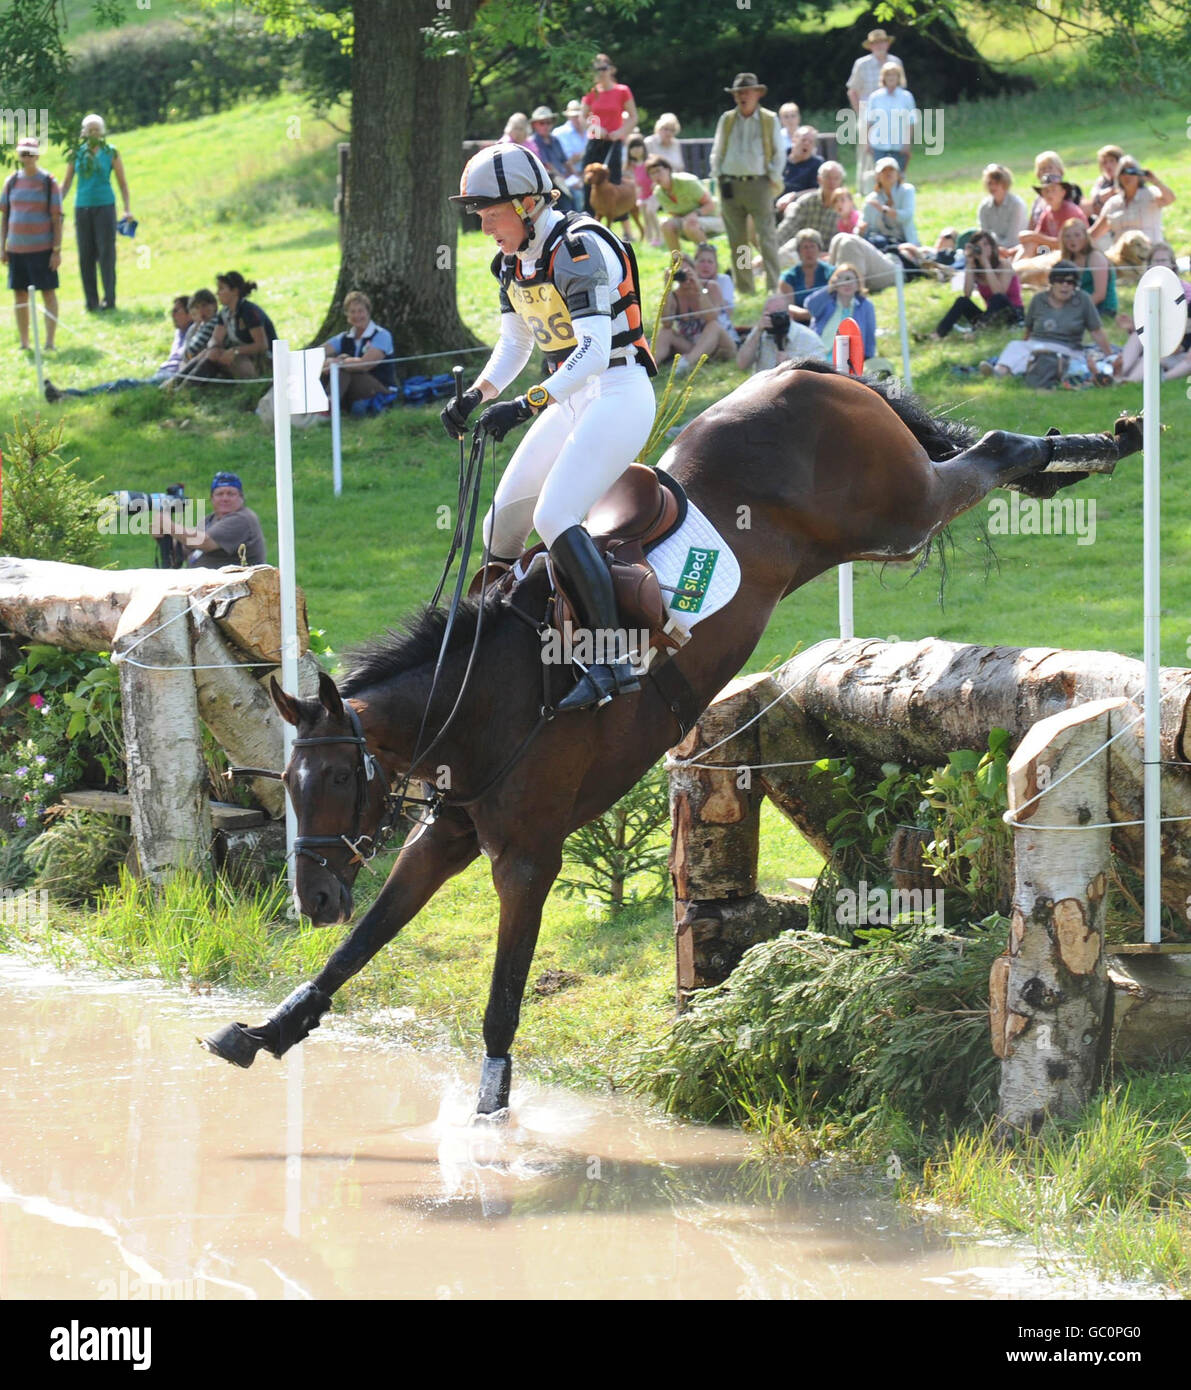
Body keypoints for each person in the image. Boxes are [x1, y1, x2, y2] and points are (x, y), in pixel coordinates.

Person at [440, 143, 657, 711]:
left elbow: (590, 349)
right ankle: (519, 648)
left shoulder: (578, 247)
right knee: (498, 531)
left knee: (554, 515)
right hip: (571, 396)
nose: (484, 227)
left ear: (529, 203)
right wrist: (477, 394)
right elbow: (516, 342)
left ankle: (613, 661)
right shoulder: (512, 261)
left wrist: (528, 403)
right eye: (480, 217)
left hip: (617, 391)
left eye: (491, 214)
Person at [709, 73, 784, 295]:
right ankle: (745, 287)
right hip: (730, 183)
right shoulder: (727, 119)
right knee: (738, 241)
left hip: (759, 183)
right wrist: (718, 176)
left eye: (747, 92)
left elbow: (779, 153)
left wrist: (773, 177)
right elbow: (717, 150)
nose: (743, 96)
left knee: (767, 237)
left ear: (757, 94)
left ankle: (774, 285)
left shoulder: (769, 119)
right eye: (738, 93)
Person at [981, 260, 1113, 380]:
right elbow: (1028, 330)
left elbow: (1097, 332)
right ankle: (999, 371)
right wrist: (1024, 346)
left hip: (1067, 348)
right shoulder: (1038, 300)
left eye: (1070, 282)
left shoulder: (1083, 300)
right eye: (1060, 281)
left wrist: (1110, 356)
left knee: (1040, 358)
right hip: (1037, 342)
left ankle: (1017, 374)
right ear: (1052, 282)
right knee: (1015, 346)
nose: (1065, 285)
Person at [44, 295, 192, 401]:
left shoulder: (195, 330)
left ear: (190, 314)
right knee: (126, 385)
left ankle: (75, 396)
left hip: (173, 375)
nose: (172, 315)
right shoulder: (180, 331)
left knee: (125, 385)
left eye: (176, 311)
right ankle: (68, 395)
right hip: (163, 372)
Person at [58, 113, 131, 312]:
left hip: (105, 207)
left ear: (102, 132)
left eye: (96, 130)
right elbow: (66, 184)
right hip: (82, 208)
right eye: (89, 130)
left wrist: (127, 209)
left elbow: (122, 184)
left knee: (107, 254)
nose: (93, 133)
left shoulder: (111, 152)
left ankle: (110, 299)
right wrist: (54, 205)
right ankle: (91, 302)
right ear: (83, 132)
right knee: (85, 255)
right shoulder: (76, 153)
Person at [1, 137, 62, 351]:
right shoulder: (11, 182)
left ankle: (49, 342)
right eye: (22, 153)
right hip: (16, 250)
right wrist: (3, 247)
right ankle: (24, 343)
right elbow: (5, 216)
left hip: (43, 250)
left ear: (37, 155)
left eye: (30, 153)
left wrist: (56, 250)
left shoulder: (48, 181)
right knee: (20, 295)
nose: (26, 157)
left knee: (47, 292)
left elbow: (57, 218)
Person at [178, 271, 276, 384]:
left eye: (221, 289)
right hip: (245, 357)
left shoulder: (248, 311)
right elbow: (216, 338)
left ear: (235, 291)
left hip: (265, 360)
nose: (217, 293)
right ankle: (177, 383)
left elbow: (262, 346)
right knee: (209, 353)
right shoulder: (225, 313)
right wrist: (213, 346)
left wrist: (235, 351)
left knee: (216, 355)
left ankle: (185, 388)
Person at [156, 472, 268, 570]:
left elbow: (203, 542)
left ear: (241, 498)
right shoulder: (210, 519)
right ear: (212, 498)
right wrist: (163, 537)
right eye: (219, 494)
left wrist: (167, 525)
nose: (225, 498)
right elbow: (183, 550)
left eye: (231, 494)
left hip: (235, 590)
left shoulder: (242, 519)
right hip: (207, 587)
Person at [1113, 242, 1191, 383]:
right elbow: (1147, 326)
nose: (1159, 265)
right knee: (1138, 336)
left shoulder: (1185, 292)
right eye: (1156, 261)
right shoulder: (1147, 291)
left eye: (1163, 261)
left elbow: (1183, 330)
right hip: (1155, 341)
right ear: (1149, 266)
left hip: (1179, 344)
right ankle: (1120, 372)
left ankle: (1129, 381)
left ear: (1173, 265)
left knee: (1152, 351)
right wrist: (1131, 326)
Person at [653, 250, 735, 374]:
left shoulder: (711, 287)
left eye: (687, 272)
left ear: (694, 270)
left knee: (713, 326)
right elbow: (667, 323)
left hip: (721, 346)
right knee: (665, 332)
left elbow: (712, 318)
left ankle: (685, 365)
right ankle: (650, 366)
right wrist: (667, 287)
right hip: (694, 348)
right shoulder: (675, 296)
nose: (684, 277)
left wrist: (698, 287)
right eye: (680, 273)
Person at [845, 28, 905, 194]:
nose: (879, 46)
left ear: (887, 43)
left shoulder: (895, 62)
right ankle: (865, 189)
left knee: (894, 150)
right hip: (868, 113)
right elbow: (852, 91)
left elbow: (902, 88)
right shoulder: (862, 64)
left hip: (891, 114)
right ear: (870, 46)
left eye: (882, 42)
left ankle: (894, 186)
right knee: (867, 153)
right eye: (875, 43)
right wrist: (861, 114)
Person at [930, 232, 1021, 339]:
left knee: (998, 298)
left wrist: (986, 263)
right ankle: (938, 334)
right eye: (979, 246)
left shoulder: (1004, 265)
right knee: (962, 301)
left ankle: (976, 332)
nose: (983, 249)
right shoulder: (977, 269)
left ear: (993, 247)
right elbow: (967, 294)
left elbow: (1000, 292)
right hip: (990, 316)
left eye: (986, 244)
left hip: (1012, 313)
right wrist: (969, 263)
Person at [1087, 157, 1175, 266]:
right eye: (1123, 171)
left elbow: (1170, 199)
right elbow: (1094, 234)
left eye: (1132, 171)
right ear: (1118, 176)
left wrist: (1155, 181)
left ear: (1139, 175)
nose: (1127, 175)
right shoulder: (1113, 203)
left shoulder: (1151, 195)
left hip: (1150, 257)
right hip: (1122, 261)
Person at [580, 54, 637, 212]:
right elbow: (582, 117)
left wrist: (620, 132)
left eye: (603, 68)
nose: (600, 72)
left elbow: (633, 117)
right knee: (589, 182)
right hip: (595, 141)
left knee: (613, 183)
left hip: (613, 142)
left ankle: (620, 224)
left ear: (611, 69)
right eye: (596, 69)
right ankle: (588, 218)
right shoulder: (591, 92)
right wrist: (595, 128)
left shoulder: (622, 91)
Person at [320, 290, 396, 408]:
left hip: (380, 389)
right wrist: (326, 364)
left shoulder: (381, 335)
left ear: (368, 312)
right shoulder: (344, 337)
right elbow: (319, 352)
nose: (357, 316)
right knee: (335, 364)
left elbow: (365, 364)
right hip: (353, 388)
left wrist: (339, 362)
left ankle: (328, 407)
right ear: (347, 315)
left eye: (360, 311)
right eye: (352, 312)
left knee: (343, 365)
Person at [805, 263, 877, 361]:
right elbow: (810, 306)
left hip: (849, 359)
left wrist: (868, 359)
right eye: (841, 279)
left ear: (858, 284)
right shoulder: (826, 301)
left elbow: (869, 336)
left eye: (851, 279)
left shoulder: (865, 306)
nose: (847, 284)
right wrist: (829, 288)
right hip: (819, 355)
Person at [737, 293, 825, 372]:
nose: (774, 319)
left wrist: (794, 366)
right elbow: (742, 365)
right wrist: (757, 332)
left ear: (790, 314)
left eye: (778, 314)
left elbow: (822, 376)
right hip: (764, 387)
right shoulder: (760, 333)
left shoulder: (809, 339)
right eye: (769, 315)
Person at [775, 159, 845, 256]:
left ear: (841, 181)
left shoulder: (846, 206)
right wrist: (771, 247)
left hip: (829, 256)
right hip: (802, 252)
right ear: (819, 179)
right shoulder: (806, 202)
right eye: (827, 177)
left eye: (836, 178)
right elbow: (787, 228)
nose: (832, 182)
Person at [647, 156, 718, 251]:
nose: (656, 175)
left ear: (668, 169)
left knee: (690, 224)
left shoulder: (687, 182)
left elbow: (711, 205)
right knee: (665, 224)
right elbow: (674, 214)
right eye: (652, 173)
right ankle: (678, 262)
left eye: (658, 171)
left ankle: (707, 257)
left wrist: (695, 214)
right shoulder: (658, 192)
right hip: (686, 222)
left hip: (714, 218)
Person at [861, 156, 919, 268]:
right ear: (878, 176)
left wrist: (883, 209)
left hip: (905, 240)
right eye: (884, 171)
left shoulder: (907, 190)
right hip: (883, 243)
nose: (888, 173)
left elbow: (907, 216)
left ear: (897, 174)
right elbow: (866, 225)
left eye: (891, 170)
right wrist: (861, 229)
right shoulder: (871, 199)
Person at [1016, 172, 1085, 259]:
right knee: (1032, 245)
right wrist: (1011, 251)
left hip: (1074, 255)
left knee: (1033, 243)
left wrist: (1034, 237)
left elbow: (1069, 243)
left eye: (1053, 190)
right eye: (1046, 191)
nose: (1049, 194)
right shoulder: (1047, 212)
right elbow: (1037, 235)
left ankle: (1014, 271)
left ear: (1063, 192)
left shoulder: (1070, 211)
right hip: (1052, 252)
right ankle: (1014, 269)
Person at [866, 62, 917, 169]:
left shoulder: (907, 97)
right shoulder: (875, 97)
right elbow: (869, 121)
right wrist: (867, 143)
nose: (891, 77)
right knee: (880, 178)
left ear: (899, 77)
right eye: (888, 75)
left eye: (894, 74)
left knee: (898, 177)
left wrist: (907, 144)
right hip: (878, 145)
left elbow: (911, 122)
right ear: (883, 77)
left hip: (899, 145)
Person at [528, 106, 576, 211]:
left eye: (548, 122)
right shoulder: (533, 143)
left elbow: (565, 161)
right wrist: (564, 180)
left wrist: (575, 176)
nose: (545, 126)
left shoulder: (555, 139)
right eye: (542, 123)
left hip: (564, 180)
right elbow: (547, 165)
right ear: (534, 125)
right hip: (550, 184)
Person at [779, 228, 831, 317]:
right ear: (798, 252)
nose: (809, 251)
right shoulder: (789, 277)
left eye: (812, 246)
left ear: (819, 249)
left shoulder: (831, 273)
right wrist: (810, 315)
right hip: (798, 324)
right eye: (805, 247)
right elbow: (788, 308)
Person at [976, 163, 1027, 255]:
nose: (992, 187)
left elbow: (1013, 238)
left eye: (996, 183)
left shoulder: (1016, 205)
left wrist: (998, 248)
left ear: (1005, 184)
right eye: (990, 183)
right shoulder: (984, 206)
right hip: (991, 250)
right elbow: (984, 233)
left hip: (1014, 250)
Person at [693, 241, 735, 333]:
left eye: (710, 262)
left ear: (716, 265)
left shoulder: (724, 280)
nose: (706, 265)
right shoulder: (688, 283)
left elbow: (728, 312)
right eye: (702, 261)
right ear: (694, 264)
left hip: (720, 330)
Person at [625, 135, 659, 243]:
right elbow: (630, 178)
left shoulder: (650, 160)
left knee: (651, 211)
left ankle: (659, 236)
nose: (636, 150)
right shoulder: (631, 165)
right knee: (645, 218)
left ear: (644, 148)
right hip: (642, 194)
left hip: (655, 192)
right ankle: (649, 239)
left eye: (638, 146)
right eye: (633, 148)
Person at [778, 126, 823, 197]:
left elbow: (818, 190)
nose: (807, 144)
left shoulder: (817, 164)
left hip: (800, 204)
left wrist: (794, 196)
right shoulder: (780, 157)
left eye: (811, 142)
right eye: (803, 140)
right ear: (793, 140)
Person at [1083, 144, 1123, 219]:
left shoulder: (1125, 179)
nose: (1108, 165)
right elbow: (1092, 198)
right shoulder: (1102, 181)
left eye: (1112, 161)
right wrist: (1102, 196)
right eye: (1105, 162)